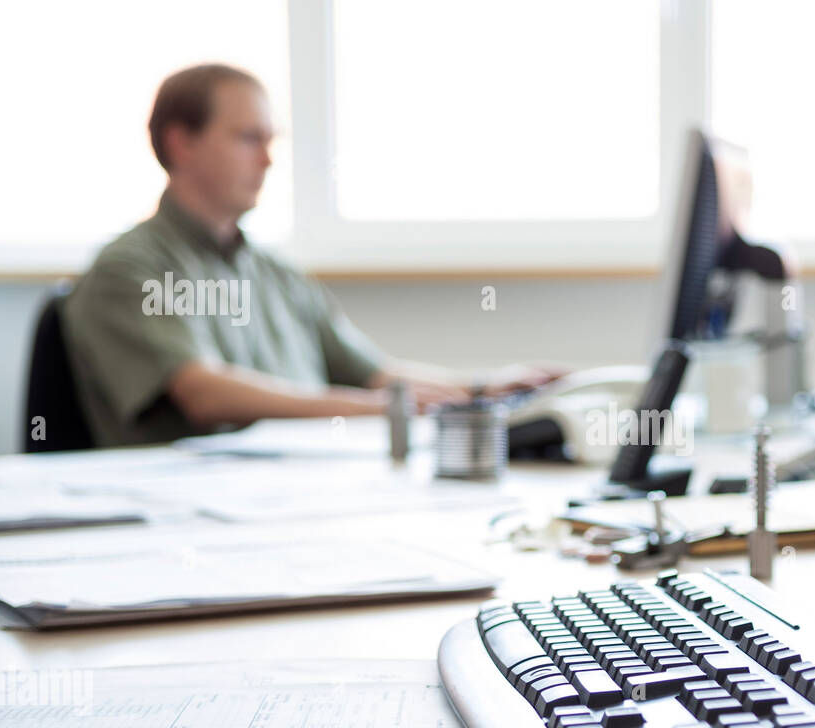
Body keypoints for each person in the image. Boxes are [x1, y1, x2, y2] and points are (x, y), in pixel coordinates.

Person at [63, 63, 553, 447]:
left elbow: (373, 372)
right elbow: (203, 393)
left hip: (301, 499)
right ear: (181, 142)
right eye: (248, 138)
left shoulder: (277, 273)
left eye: (270, 140)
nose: (268, 158)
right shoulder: (128, 269)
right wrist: (382, 409)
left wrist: (485, 388)